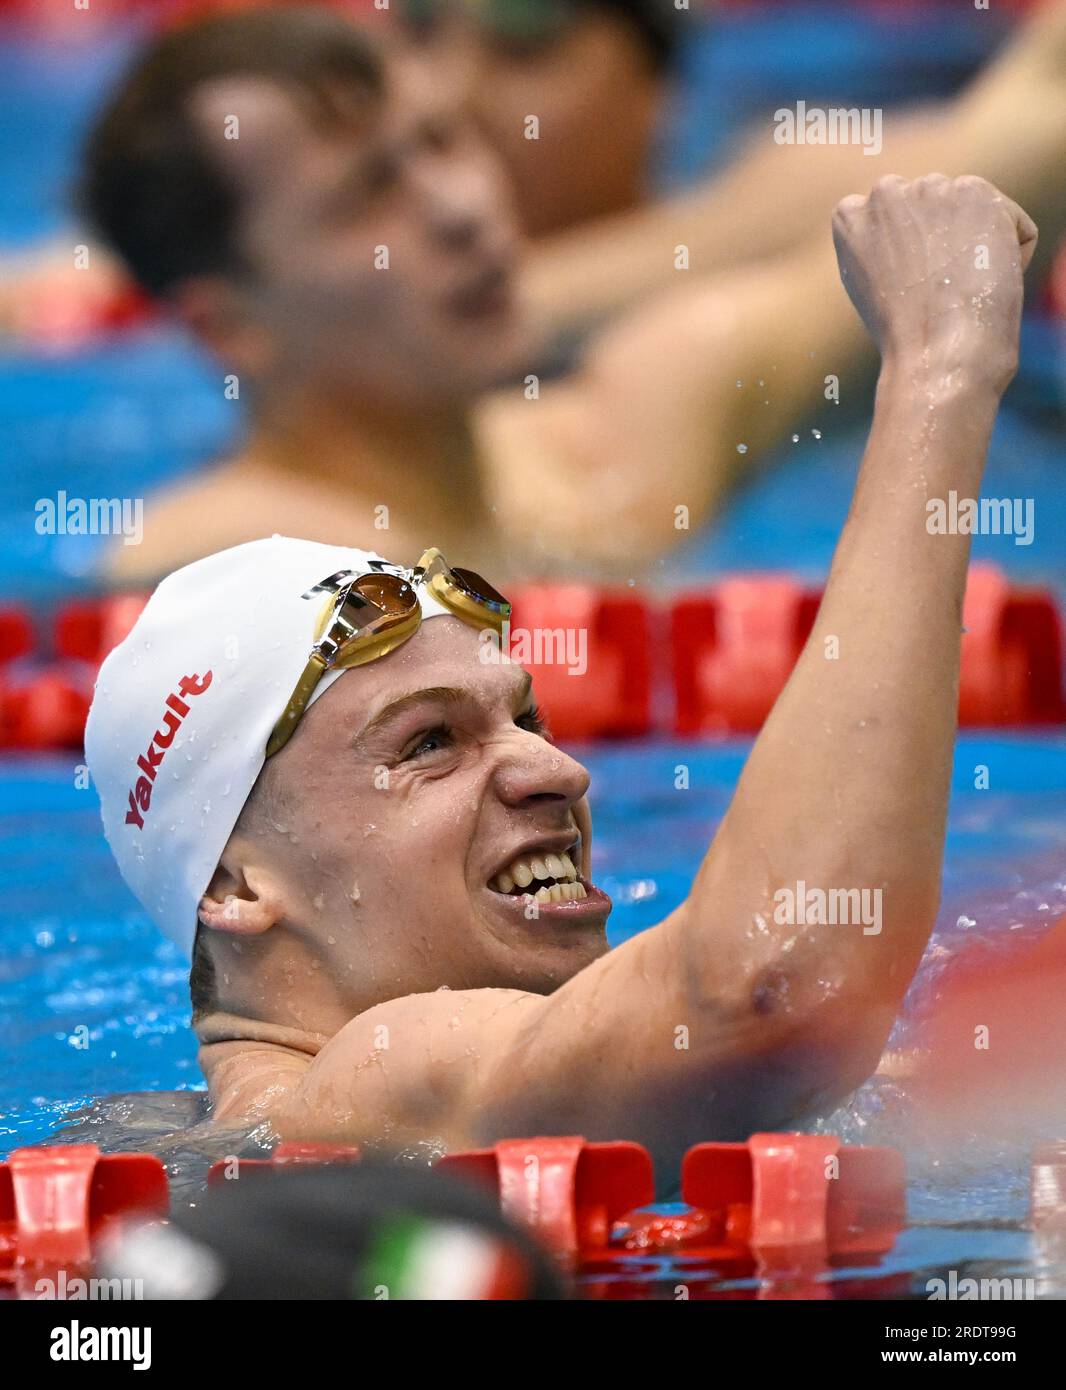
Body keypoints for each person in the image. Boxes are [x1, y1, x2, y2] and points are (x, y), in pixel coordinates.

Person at [86, 167, 1038, 1177]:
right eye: (427, 743)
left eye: (527, 719)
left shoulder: (209, 1137)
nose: (557, 773)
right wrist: (941, 369)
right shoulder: (368, 1075)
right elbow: (770, 989)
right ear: (236, 881)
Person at [80, 4, 1066, 586]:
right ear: (231, 325)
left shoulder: (630, 437)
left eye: (439, 142)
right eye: (368, 193)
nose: (462, 208)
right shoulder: (214, 561)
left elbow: (1009, 159)